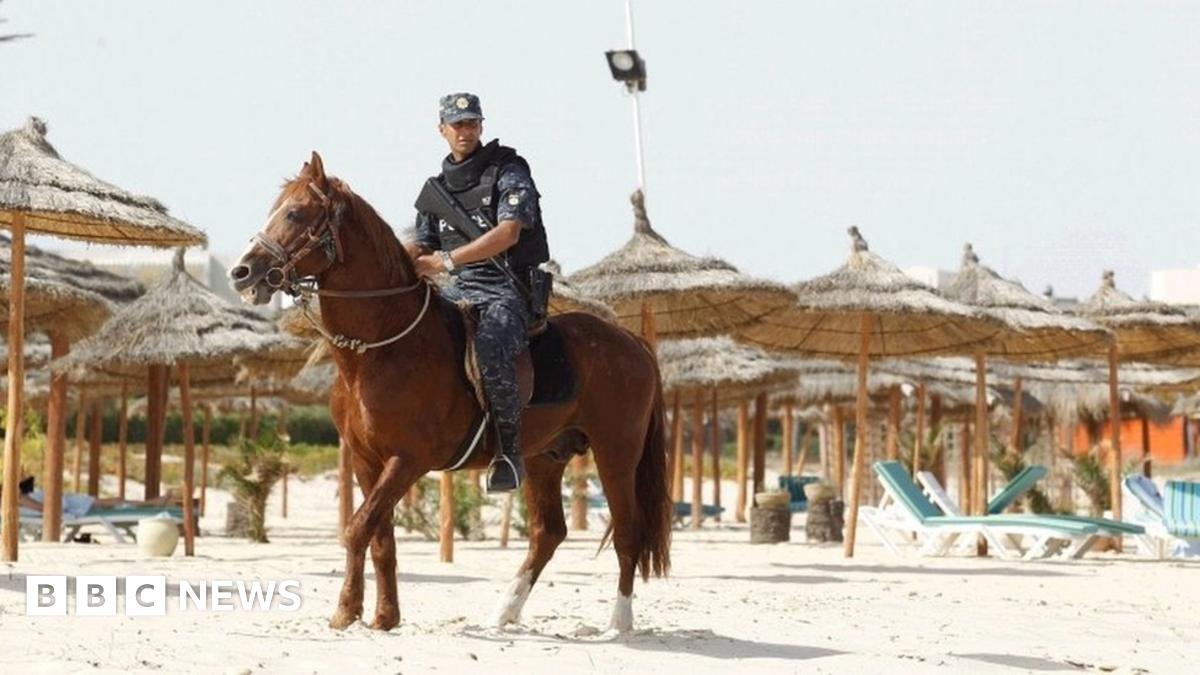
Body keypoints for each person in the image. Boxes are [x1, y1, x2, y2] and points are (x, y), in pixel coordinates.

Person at [405, 92, 550, 493]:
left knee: (488, 346)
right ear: (442, 130)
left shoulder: (508, 170)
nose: (465, 131)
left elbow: (508, 233)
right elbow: (423, 242)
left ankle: (509, 452)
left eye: (471, 123)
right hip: (458, 290)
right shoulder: (434, 189)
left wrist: (447, 262)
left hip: (508, 289)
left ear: (481, 126)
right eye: (457, 125)